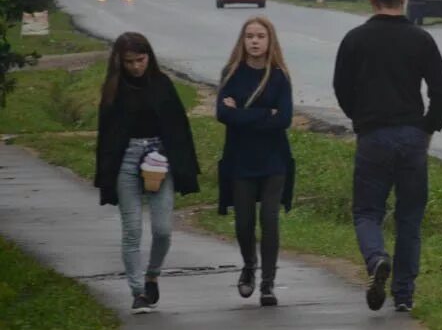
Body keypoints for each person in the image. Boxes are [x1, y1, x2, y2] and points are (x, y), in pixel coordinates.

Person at [333, 0, 442, 313]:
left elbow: (342, 88)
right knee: (410, 217)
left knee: (367, 212)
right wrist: (428, 128)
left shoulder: (354, 40)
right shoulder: (421, 39)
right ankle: (403, 294)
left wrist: (361, 118)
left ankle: (376, 259)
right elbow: (440, 92)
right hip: (412, 137)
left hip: (373, 137)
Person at [94, 32, 200, 314]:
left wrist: (183, 165)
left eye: (141, 60)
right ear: (120, 61)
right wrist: (105, 174)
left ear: (149, 57)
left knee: (163, 229)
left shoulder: (161, 84)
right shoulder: (114, 89)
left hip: (159, 160)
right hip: (126, 160)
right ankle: (138, 291)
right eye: (130, 62)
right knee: (132, 229)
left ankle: (152, 274)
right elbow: (106, 136)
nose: (136, 67)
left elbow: (179, 127)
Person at [216, 16, 294, 306]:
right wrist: (265, 114)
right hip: (240, 159)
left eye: (260, 36)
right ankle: (249, 265)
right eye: (249, 36)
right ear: (242, 40)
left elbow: (284, 118)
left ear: (270, 40)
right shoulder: (231, 73)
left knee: (270, 220)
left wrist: (243, 116)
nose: (255, 41)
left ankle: (268, 284)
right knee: (244, 222)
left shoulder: (279, 76)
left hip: (274, 159)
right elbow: (223, 115)